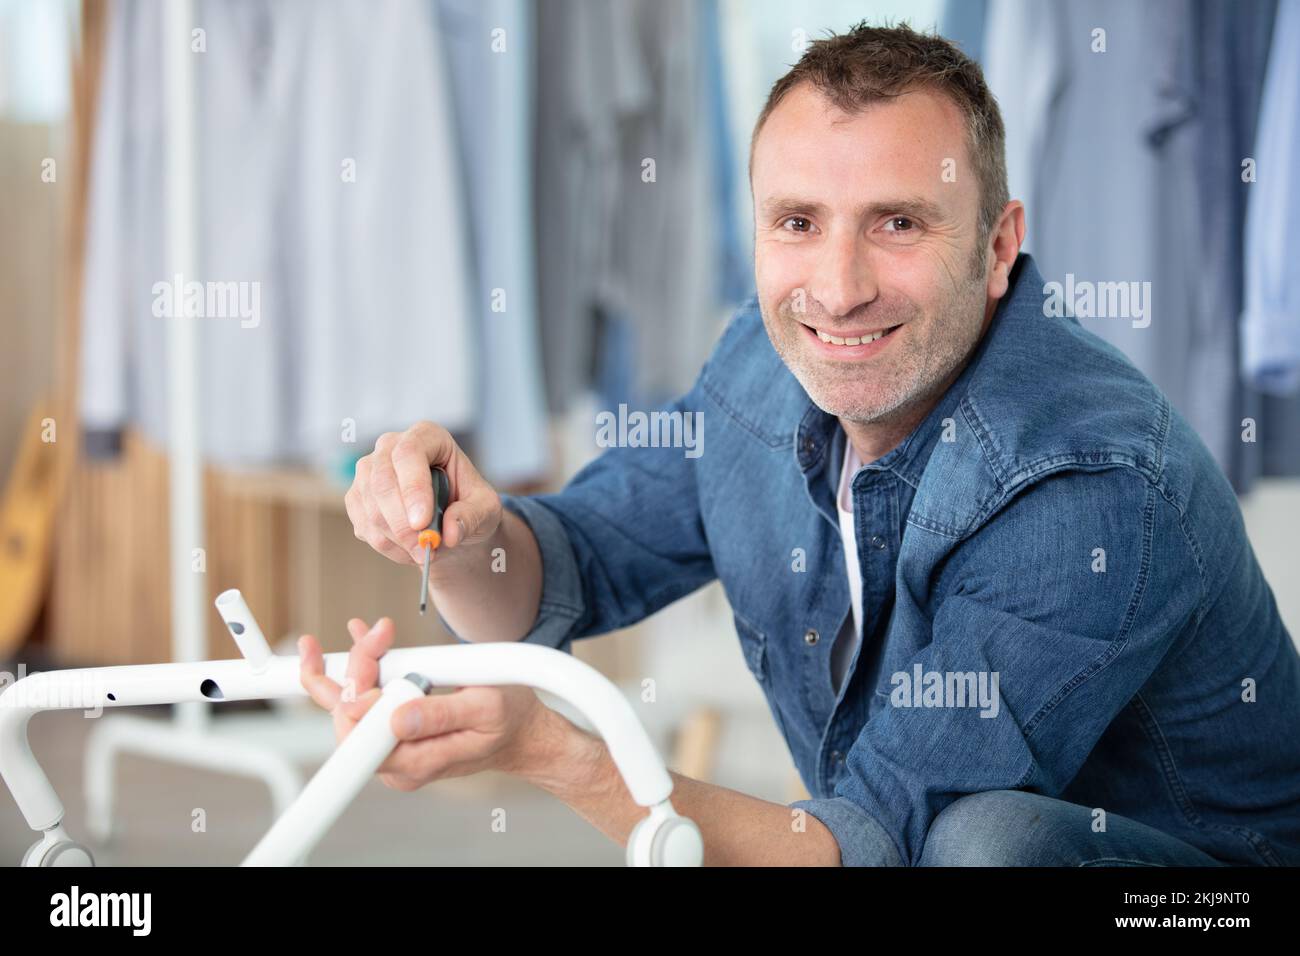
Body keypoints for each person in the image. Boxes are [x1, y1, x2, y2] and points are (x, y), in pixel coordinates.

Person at [299, 23, 1300, 866]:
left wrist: (559, 752)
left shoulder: (1086, 485)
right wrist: (467, 531)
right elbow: (564, 567)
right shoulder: (761, 362)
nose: (836, 286)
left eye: (897, 223)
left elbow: (857, 847)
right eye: (797, 222)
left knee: (981, 843)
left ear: (998, 246)